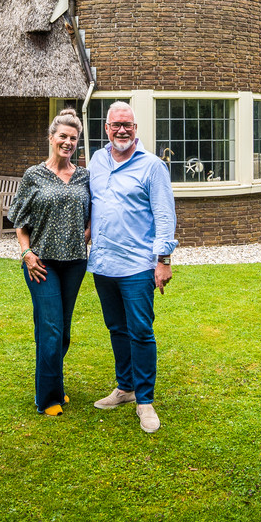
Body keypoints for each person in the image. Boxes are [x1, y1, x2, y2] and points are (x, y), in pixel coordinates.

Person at [88, 101, 177, 433]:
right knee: (116, 328)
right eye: (115, 125)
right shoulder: (97, 160)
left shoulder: (152, 166)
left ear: (135, 128)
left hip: (139, 265)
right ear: (106, 129)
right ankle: (124, 388)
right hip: (103, 264)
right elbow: (92, 201)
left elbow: (165, 215)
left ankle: (145, 401)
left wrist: (164, 260)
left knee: (140, 331)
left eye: (127, 124)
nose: (121, 130)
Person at [7, 108, 90, 416]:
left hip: (74, 263)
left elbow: (96, 212)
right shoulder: (34, 175)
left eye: (74, 138)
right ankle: (48, 398)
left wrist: (88, 231)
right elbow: (18, 218)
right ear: (51, 138)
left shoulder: (84, 176)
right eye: (63, 136)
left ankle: (53, 383)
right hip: (41, 264)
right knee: (51, 328)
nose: (68, 142)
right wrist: (26, 253)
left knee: (60, 329)